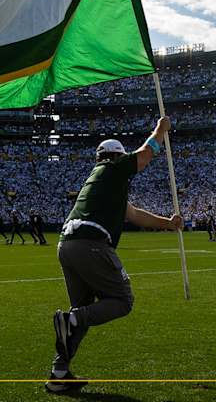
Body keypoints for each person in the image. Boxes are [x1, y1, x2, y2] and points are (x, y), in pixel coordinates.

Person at [47, 116, 182, 394]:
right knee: (122, 300)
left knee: (82, 312)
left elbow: (134, 215)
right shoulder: (113, 168)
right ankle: (69, 321)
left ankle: (59, 372)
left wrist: (168, 223)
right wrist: (160, 130)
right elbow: (143, 157)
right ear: (116, 157)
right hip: (91, 244)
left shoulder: (101, 183)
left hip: (68, 245)